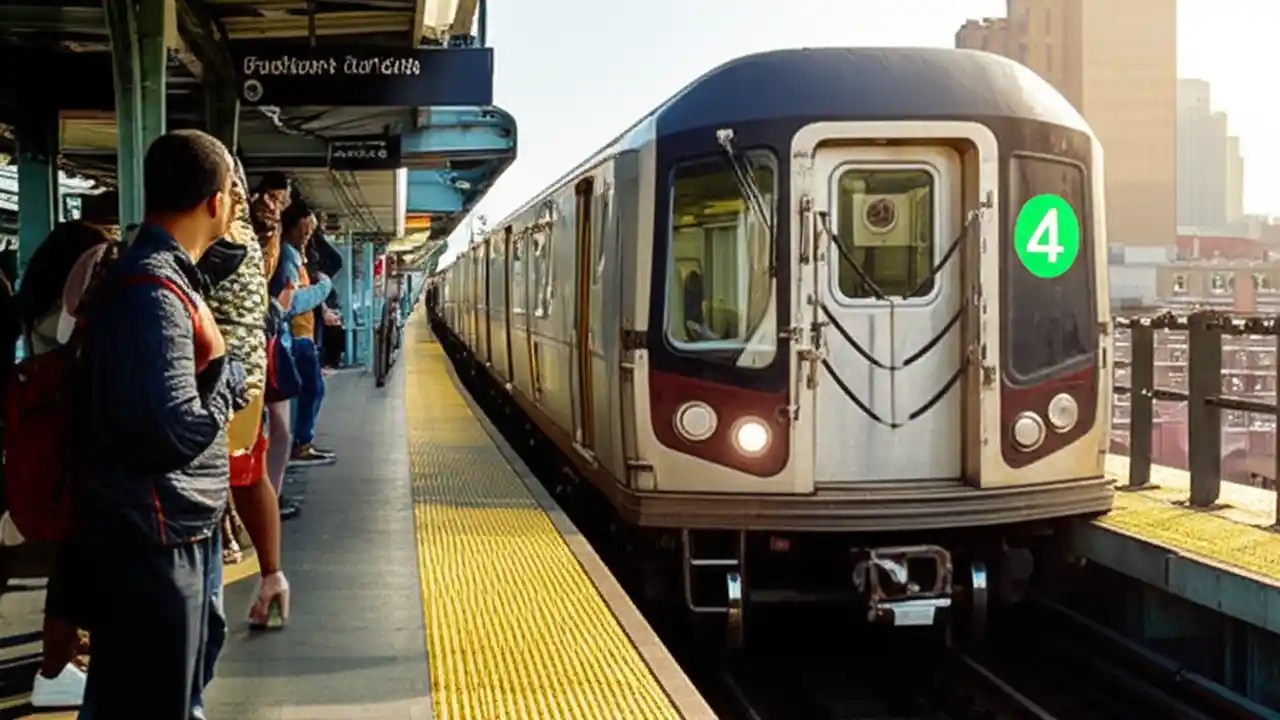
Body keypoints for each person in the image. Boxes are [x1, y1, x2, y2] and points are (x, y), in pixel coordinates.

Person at [75, 129, 249, 717]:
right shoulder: (154, 291)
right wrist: (229, 377)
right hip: (157, 537)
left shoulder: (161, 276)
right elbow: (171, 433)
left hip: (164, 528)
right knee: (157, 701)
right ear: (215, 202)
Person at [2, 222, 116, 709]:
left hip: (41, 444)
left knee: (71, 555)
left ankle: (65, 659)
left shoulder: (31, 306)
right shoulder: (67, 316)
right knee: (78, 554)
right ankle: (57, 666)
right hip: (69, 445)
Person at [276, 203, 335, 466]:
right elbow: (293, 303)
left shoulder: (295, 257)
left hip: (303, 336)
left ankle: (300, 442)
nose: (307, 236)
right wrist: (324, 288)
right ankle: (301, 443)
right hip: (298, 338)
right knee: (311, 390)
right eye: (304, 231)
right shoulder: (288, 257)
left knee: (310, 390)